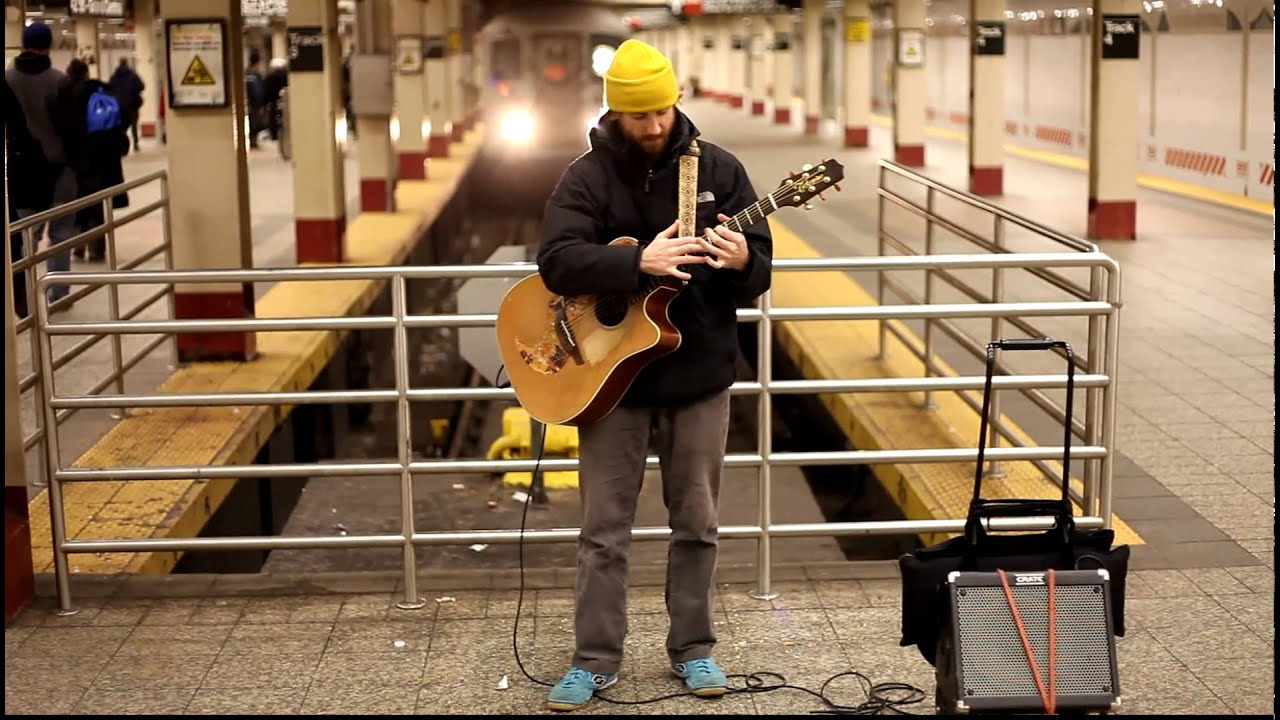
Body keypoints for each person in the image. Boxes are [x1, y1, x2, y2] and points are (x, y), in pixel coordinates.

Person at [534, 39, 772, 712]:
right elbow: (555, 260)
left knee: (696, 522)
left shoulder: (721, 172)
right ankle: (593, 661)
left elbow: (760, 270)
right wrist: (635, 264)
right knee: (603, 529)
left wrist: (737, 264)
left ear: (677, 99)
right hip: (611, 382)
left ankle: (694, 650)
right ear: (615, 113)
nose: (653, 126)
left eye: (662, 110)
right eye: (638, 116)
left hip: (698, 374)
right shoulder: (586, 177)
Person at [6, 21, 79, 311]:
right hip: (59, 168)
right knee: (61, 233)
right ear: (49, 45)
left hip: (23, 171)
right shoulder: (60, 81)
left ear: (24, 44)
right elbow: (72, 130)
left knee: (27, 234)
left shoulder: (7, 79)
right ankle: (58, 295)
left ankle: (23, 296)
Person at [64, 58, 130, 263]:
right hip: (103, 158)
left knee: (76, 203)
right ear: (86, 73)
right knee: (97, 204)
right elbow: (122, 118)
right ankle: (97, 249)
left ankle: (78, 245)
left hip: (76, 159)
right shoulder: (102, 91)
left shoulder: (65, 95)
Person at [107, 56, 145, 151]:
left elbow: (109, 88)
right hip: (132, 105)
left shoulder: (114, 76)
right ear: (126, 62)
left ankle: (121, 144)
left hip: (118, 105)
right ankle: (135, 143)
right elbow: (141, 86)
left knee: (121, 126)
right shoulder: (132, 74)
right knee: (134, 125)